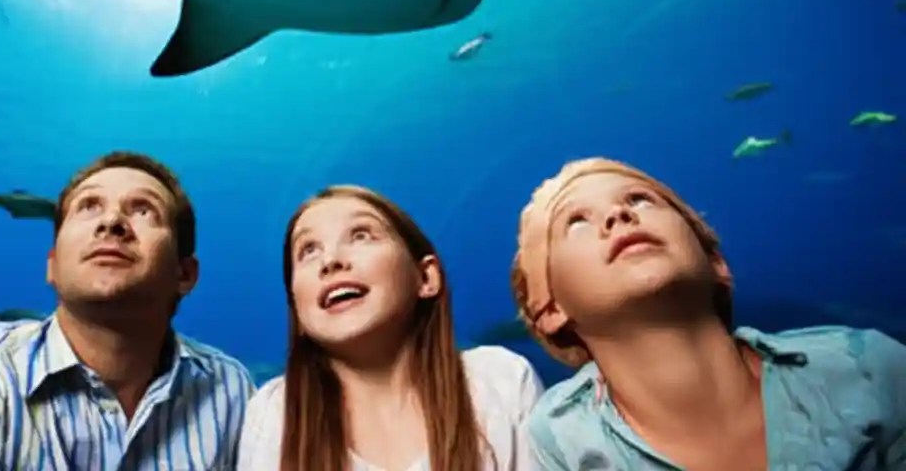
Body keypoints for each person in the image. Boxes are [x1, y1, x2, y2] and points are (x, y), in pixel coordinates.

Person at [511, 157, 906, 470]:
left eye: (639, 200)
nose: (619, 215)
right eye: (576, 222)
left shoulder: (870, 370)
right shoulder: (561, 442)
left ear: (716, 261)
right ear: (549, 308)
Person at [0, 150, 256, 470]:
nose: (112, 223)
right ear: (52, 264)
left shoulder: (231, 390)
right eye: (89, 207)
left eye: (144, 210)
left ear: (185, 274)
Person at [237, 184, 544, 471]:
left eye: (361, 235)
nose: (330, 260)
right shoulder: (273, 415)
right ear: (296, 306)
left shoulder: (502, 382)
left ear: (426, 277)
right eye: (308, 250)